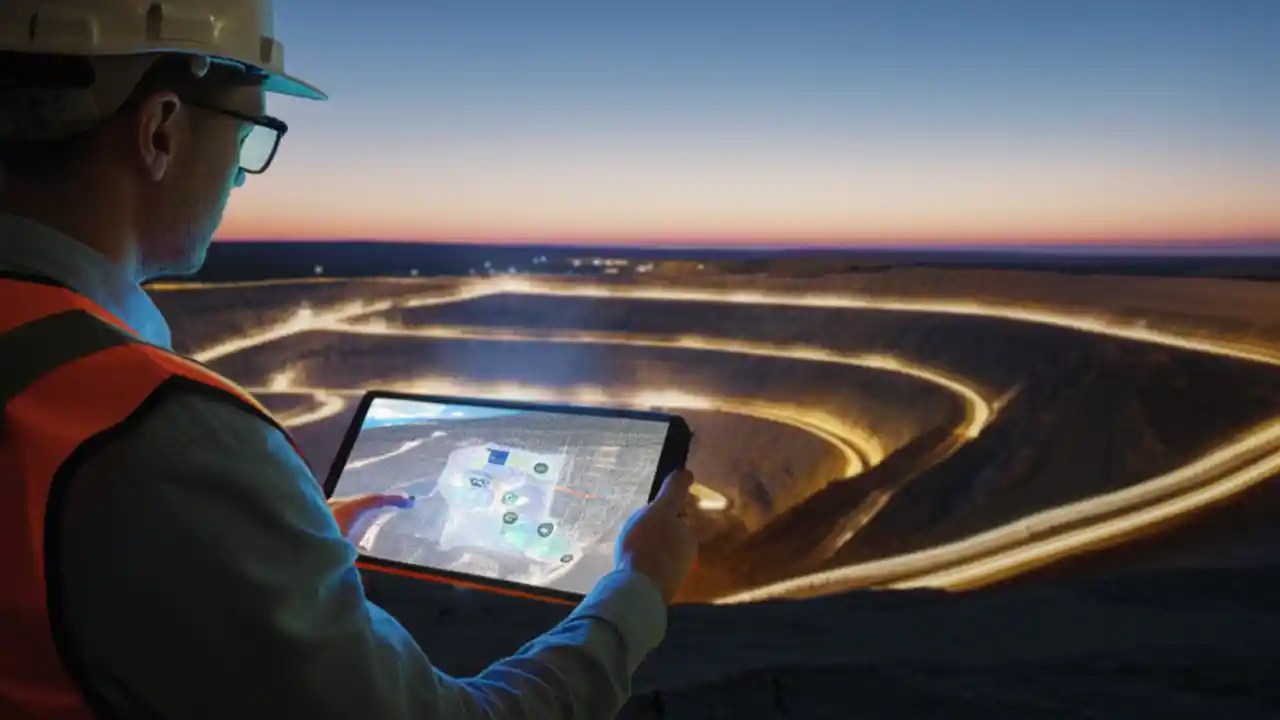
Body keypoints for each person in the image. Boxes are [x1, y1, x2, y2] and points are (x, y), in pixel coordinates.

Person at [0, 1, 698, 717]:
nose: (241, 180)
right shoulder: (165, 439)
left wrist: (254, 541)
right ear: (161, 129)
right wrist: (636, 593)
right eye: (249, 136)